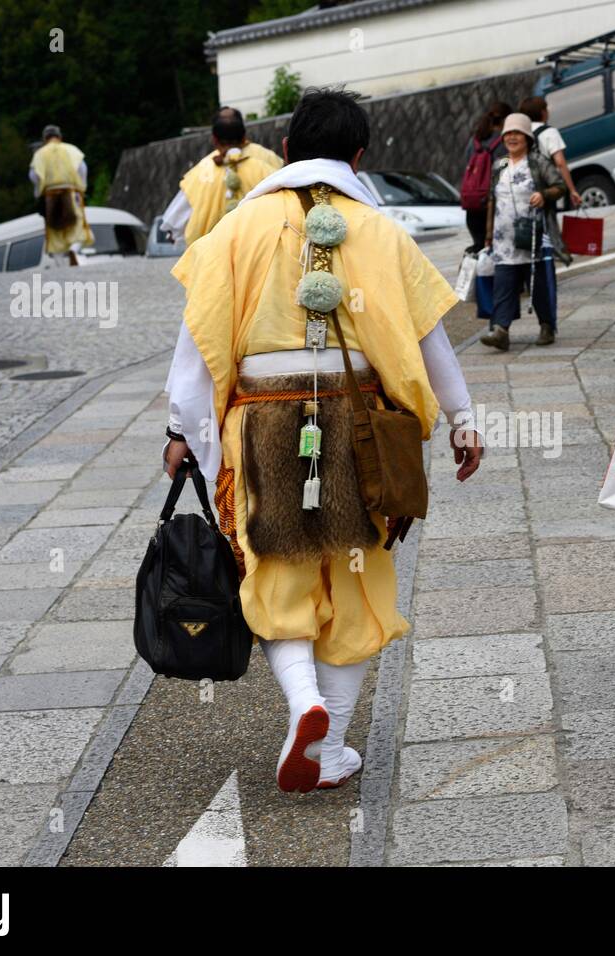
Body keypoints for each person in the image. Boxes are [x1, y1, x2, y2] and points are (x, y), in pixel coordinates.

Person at [162, 89, 484, 793]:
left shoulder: (235, 234)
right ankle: (328, 742)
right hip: (358, 424)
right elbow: (429, 340)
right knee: (359, 580)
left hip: (263, 420)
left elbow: (194, 352)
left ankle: (303, 701)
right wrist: (462, 420)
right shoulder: (382, 231)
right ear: (359, 155)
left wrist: (183, 432)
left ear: (282, 150)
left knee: (276, 569)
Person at [479, 113, 572, 351]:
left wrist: (544, 195)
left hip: (534, 237)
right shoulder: (499, 165)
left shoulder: (538, 162)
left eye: (517, 133)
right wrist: (488, 235)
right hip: (504, 239)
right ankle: (501, 330)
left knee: (539, 284)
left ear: (527, 138)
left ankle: (547, 326)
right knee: (503, 285)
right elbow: (492, 200)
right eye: (508, 134)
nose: (511, 138)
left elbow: (559, 186)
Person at [160, 107, 284, 244]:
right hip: (259, 252)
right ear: (244, 136)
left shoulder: (200, 171)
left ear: (214, 139)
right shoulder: (268, 162)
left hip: (211, 256)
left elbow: (173, 225)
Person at [460, 101, 511, 321]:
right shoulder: (501, 143)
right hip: (491, 203)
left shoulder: (475, 141)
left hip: (472, 205)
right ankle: (496, 296)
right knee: (496, 251)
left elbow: (465, 165)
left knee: (479, 248)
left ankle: (476, 291)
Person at [28, 125, 92, 266]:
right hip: (70, 192)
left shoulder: (40, 154)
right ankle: (74, 250)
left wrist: (38, 192)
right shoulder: (71, 150)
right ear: (60, 137)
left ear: (45, 139)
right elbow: (83, 168)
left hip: (50, 195)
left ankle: (59, 264)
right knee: (77, 225)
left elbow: (34, 175)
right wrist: (81, 188)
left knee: (54, 229)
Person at [518, 95, 581, 208]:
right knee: (548, 221)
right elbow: (560, 163)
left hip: (524, 189)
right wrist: (572, 190)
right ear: (543, 112)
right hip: (547, 188)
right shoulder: (549, 132)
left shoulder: (520, 134)